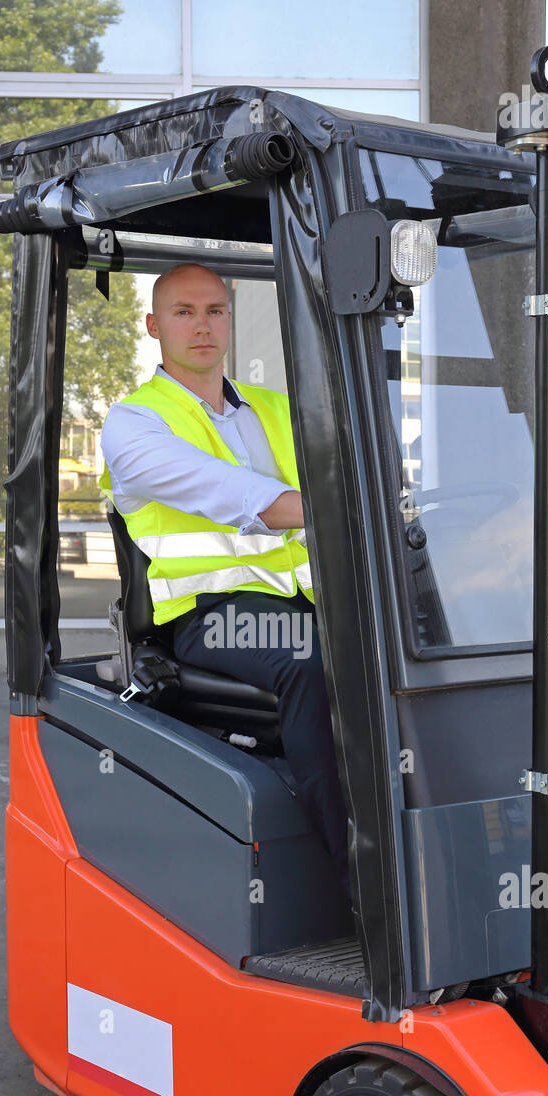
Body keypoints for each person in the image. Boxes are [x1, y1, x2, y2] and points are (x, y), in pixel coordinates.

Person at [100, 261, 351, 903]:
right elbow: (234, 494)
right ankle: (366, 878)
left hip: (303, 598)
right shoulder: (135, 423)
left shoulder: (275, 409)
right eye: (183, 312)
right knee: (313, 663)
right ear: (154, 326)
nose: (201, 325)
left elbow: (354, 470)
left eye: (215, 310)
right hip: (206, 612)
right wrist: (347, 505)